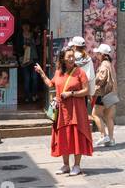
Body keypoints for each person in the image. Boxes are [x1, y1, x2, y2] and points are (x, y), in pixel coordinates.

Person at [33, 47, 93, 175]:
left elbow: (86, 91)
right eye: (69, 56)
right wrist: (41, 72)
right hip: (62, 111)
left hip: (76, 110)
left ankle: (76, 165)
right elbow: (50, 84)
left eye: (73, 56)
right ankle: (66, 165)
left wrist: (71, 93)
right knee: (64, 136)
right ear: (63, 59)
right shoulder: (59, 72)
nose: (72, 58)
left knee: (77, 136)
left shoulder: (80, 72)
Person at [90, 44, 118, 146]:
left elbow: (101, 79)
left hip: (103, 94)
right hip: (111, 93)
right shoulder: (110, 64)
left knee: (95, 114)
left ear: (102, 54)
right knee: (108, 117)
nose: (97, 55)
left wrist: (92, 81)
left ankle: (103, 135)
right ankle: (111, 139)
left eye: (98, 53)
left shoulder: (104, 65)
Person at [14, 20, 41, 104]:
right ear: (22, 27)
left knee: (35, 78)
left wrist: (39, 35)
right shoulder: (19, 36)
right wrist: (22, 47)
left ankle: (34, 95)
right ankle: (27, 97)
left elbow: (38, 43)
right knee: (27, 78)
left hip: (34, 58)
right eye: (24, 25)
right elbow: (17, 47)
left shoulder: (34, 34)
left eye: (27, 25)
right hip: (24, 59)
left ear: (29, 26)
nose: (26, 27)